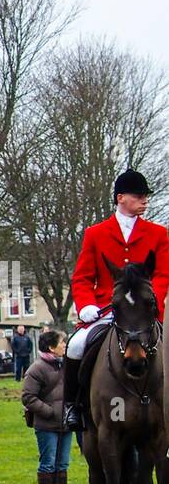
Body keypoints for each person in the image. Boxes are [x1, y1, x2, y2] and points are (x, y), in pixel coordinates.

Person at [63, 169, 169, 430]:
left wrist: (147, 302)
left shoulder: (158, 234)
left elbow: (163, 274)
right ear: (121, 197)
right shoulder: (95, 234)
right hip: (106, 311)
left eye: (146, 196)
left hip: (145, 314)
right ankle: (73, 407)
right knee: (75, 346)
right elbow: (82, 278)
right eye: (139, 195)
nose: (145, 200)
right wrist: (86, 304)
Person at [21, 330, 71, 484]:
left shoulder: (67, 365)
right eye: (62, 343)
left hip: (66, 424)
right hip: (46, 425)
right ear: (51, 347)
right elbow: (28, 397)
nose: (65, 346)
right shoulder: (37, 369)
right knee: (48, 463)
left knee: (63, 463)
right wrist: (49, 412)